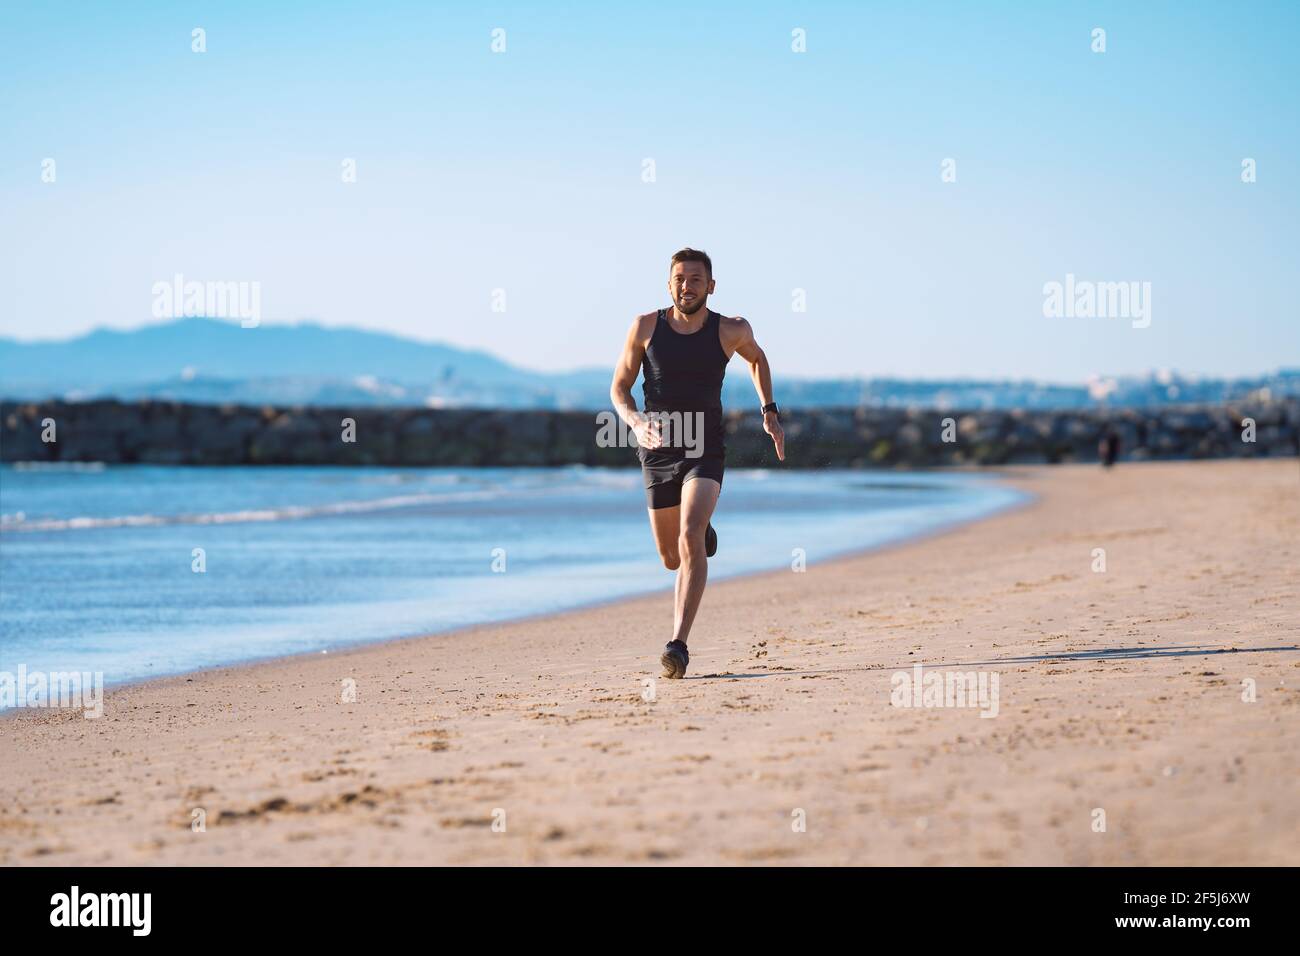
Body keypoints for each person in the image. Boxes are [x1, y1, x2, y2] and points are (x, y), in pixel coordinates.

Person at [609, 248, 785, 678]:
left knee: (688, 536)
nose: (686, 286)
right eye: (680, 278)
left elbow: (757, 359)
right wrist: (633, 421)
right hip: (657, 451)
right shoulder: (645, 327)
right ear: (669, 284)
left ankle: (678, 644)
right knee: (672, 558)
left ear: (711, 285)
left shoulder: (730, 330)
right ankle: (701, 530)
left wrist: (769, 411)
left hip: (705, 449)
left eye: (695, 279)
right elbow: (619, 387)